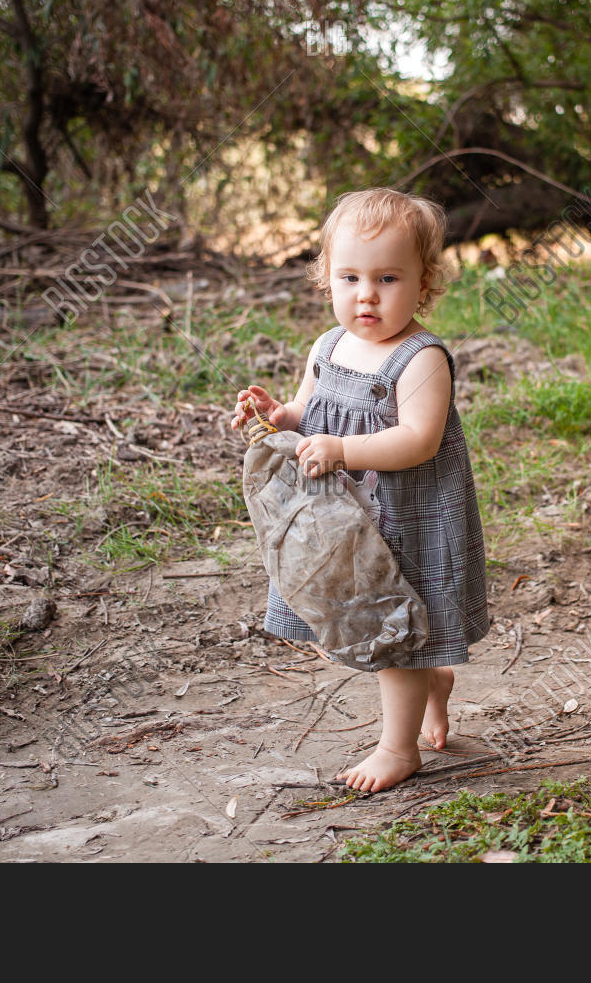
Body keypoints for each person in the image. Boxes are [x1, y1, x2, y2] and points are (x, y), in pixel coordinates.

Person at [229, 188, 490, 792]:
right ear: (326, 278)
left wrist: (342, 449)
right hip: (345, 523)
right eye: (349, 276)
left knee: (390, 629)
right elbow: (309, 409)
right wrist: (283, 415)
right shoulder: (328, 346)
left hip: (406, 518)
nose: (366, 294)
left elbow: (419, 441)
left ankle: (398, 749)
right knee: (355, 622)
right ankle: (433, 680)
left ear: (424, 283)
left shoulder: (421, 358)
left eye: (388, 278)